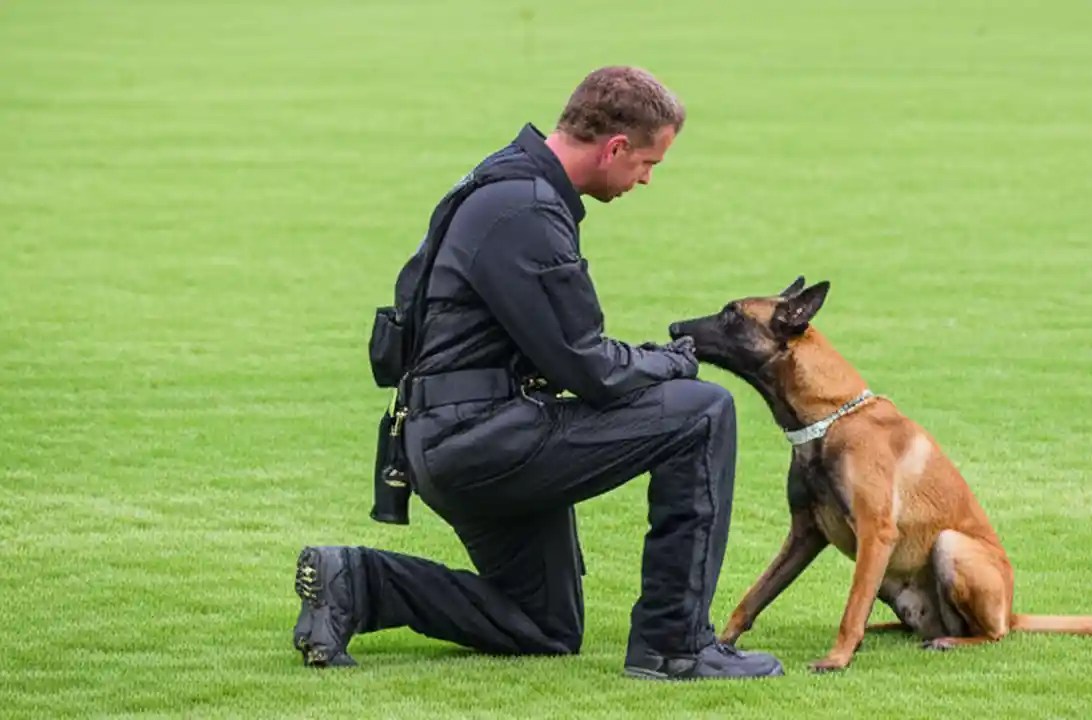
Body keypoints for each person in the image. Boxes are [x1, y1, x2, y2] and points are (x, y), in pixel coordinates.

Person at [291, 66, 783, 680]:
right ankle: (675, 645)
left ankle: (358, 583)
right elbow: (590, 367)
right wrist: (674, 358)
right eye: (648, 163)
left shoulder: (507, 185)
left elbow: (569, 354)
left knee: (543, 624)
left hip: (458, 435)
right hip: (478, 441)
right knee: (704, 411)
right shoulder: (524, 209)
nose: (647, 179)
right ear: (616, 148)